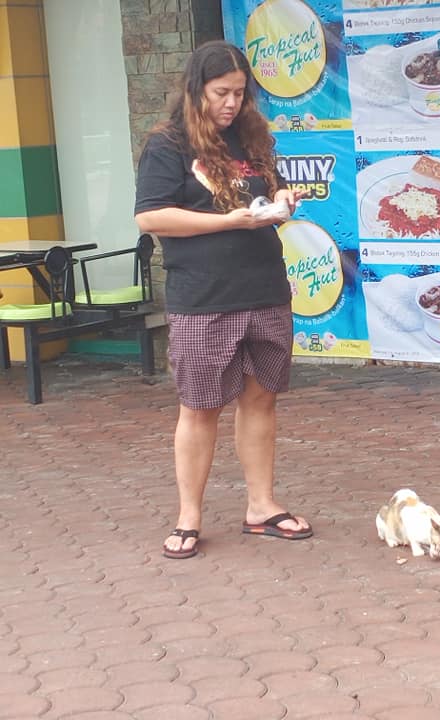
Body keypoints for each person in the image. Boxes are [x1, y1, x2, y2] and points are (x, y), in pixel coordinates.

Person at [134, 40, 311, 559]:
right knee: (200, 406)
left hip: (263, 287)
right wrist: (226, 221)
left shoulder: (252, 137)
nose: (231, 104)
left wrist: (282, 199)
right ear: (196, 89)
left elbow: (269, 190)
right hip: (203, 296)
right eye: (220, 93)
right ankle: (189, 517)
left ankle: (262, 506)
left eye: (239, 93)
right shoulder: (168, 145)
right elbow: (151, 217)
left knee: (261, 398)